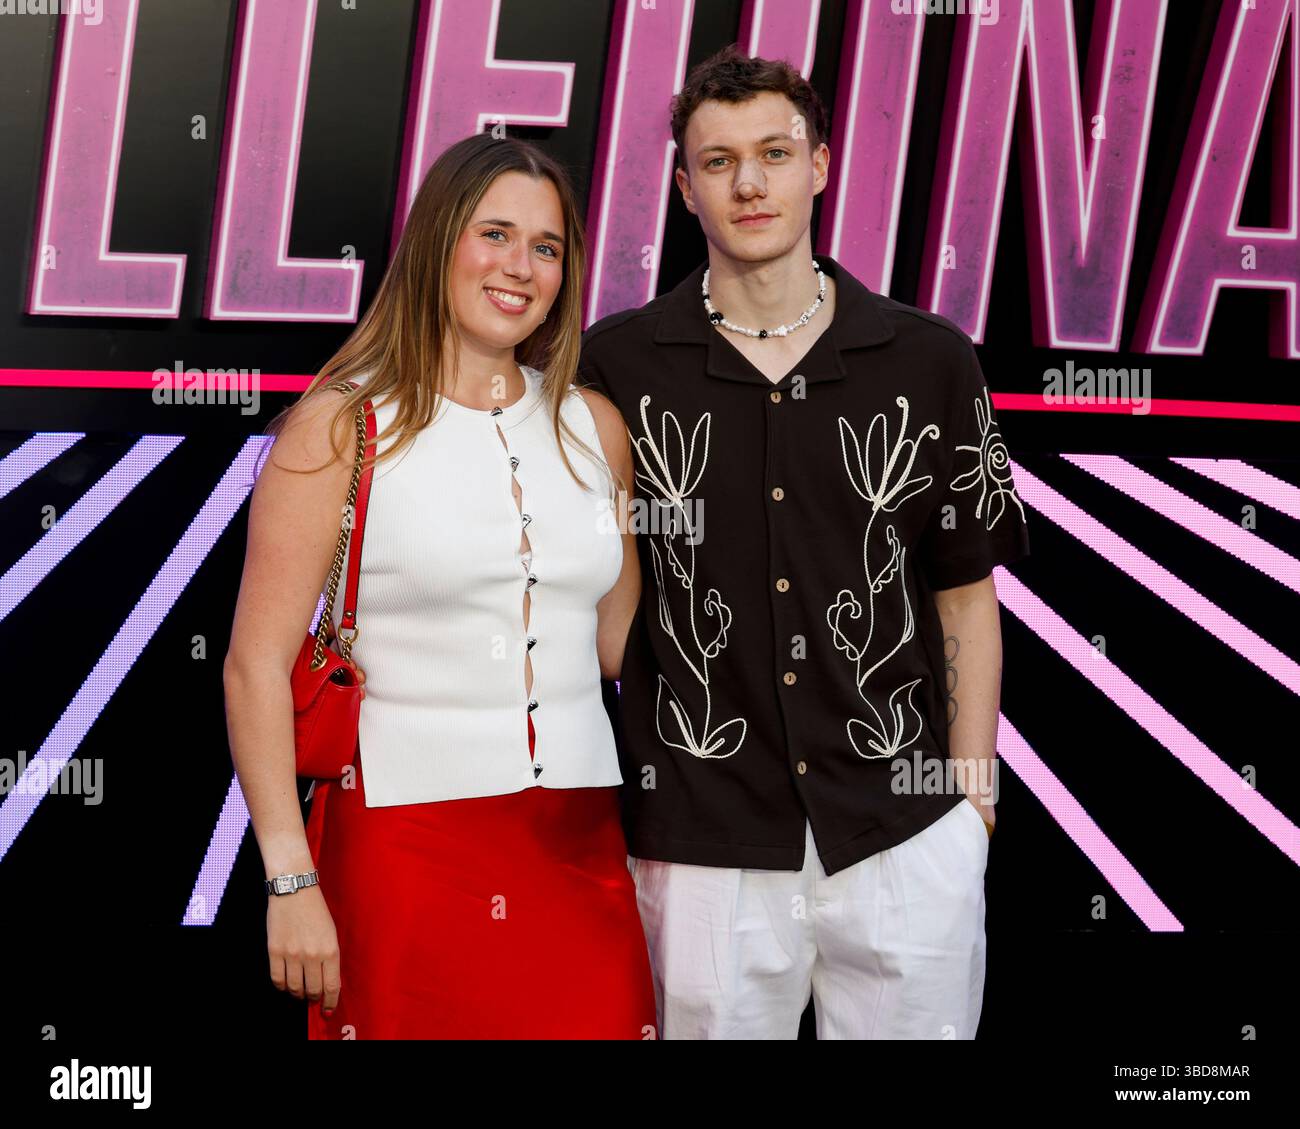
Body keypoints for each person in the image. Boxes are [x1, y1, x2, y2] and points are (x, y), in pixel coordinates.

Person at [578, 45, 1030, 1039]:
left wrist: (971, 801)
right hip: (703, 838)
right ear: (685, 186)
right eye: (719, 161)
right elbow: (596, 601)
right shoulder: (616, 364)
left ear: (819, 165)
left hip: (904, 830)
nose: (750, 183)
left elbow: (964, 592)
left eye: (775, 153)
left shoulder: (929, 359)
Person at [223, 133, 655, 1039]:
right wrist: (290, 879)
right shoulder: (340, 426)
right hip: (405, 850)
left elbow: (620, 646)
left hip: (581, 847)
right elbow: (253, 667)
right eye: (494, 234)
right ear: (436, 242)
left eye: (546, 246)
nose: (520, 266)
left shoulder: (597, 427)